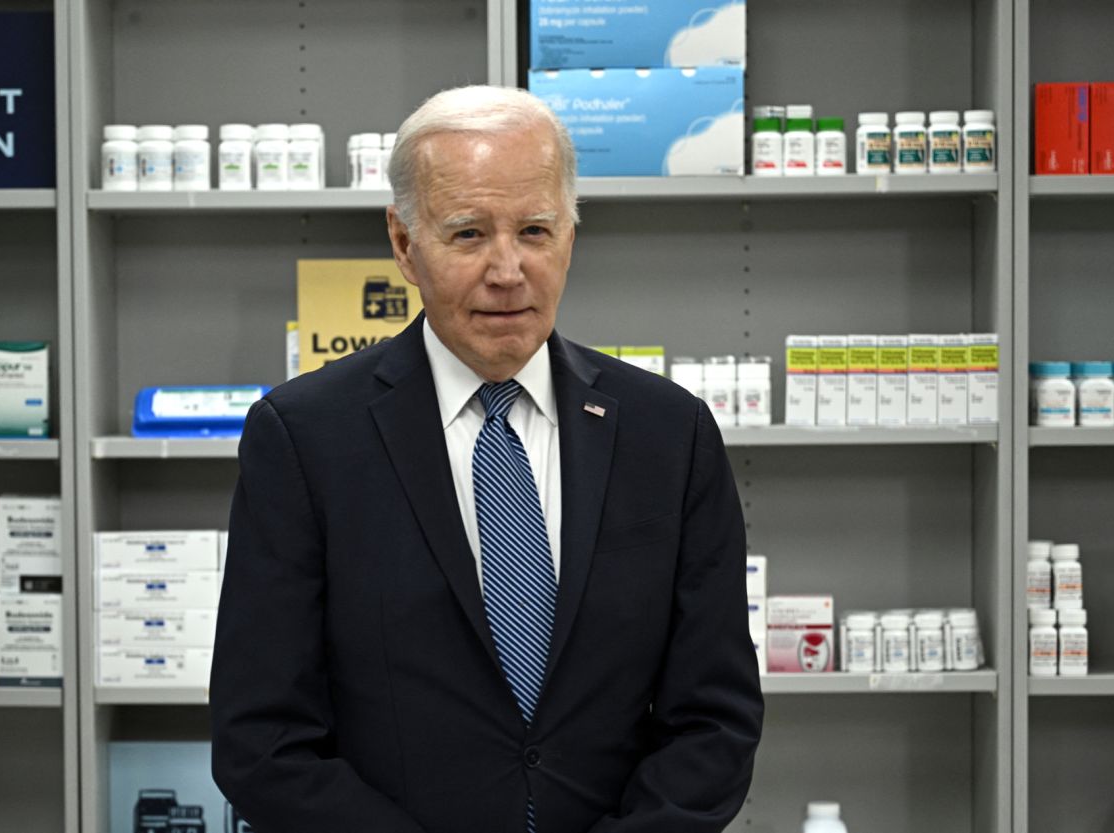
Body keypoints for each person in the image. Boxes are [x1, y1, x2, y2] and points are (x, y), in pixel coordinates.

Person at [210, 84, 763, 833]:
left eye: (535, 230)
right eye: (469, 234)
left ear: (571, 234)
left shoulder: (669, 434)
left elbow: (715, 719)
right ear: (405, 244)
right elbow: (261, 740)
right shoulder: (306, 437)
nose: (508, 270)